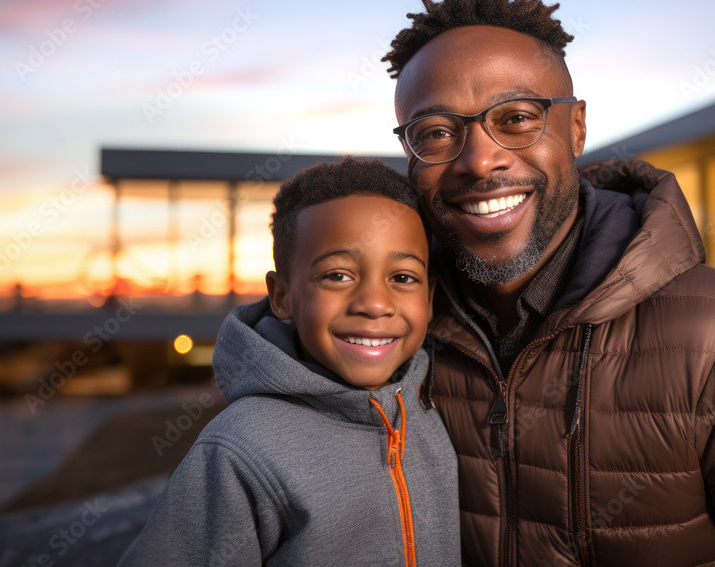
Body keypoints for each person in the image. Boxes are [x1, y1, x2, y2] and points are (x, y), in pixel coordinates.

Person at [383, 0, 715, 565]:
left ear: (576, 127)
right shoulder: (395, 335)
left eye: (516, 118)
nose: (480, 159)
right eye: (435, 132)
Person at [119, 156, 461, 566]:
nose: (374, 304)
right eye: (337, 275)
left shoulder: (438, 406)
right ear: (281, 295)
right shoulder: (238, 449)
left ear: (429, 295)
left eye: (403, 278)